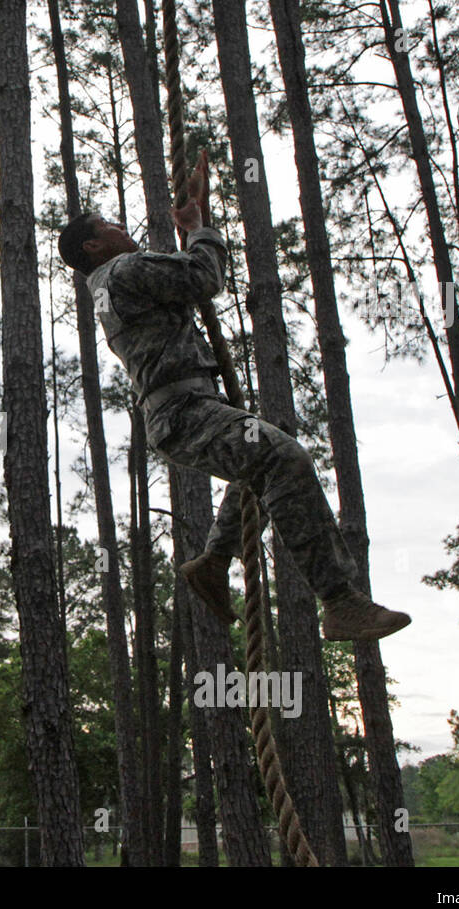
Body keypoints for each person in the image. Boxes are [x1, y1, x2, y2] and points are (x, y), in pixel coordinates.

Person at [57, 155, 410, 641]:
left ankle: (215, 559)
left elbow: (176, 284)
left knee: (267, 453)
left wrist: (192, 231)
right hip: (183, 410)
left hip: (178, 411)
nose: (122, 226)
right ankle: (339, 600)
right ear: (93, 245)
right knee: (284, 458)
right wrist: (200, 229)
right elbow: (203, 278)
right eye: (110, 224)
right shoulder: (121, 271)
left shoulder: (110, 284)